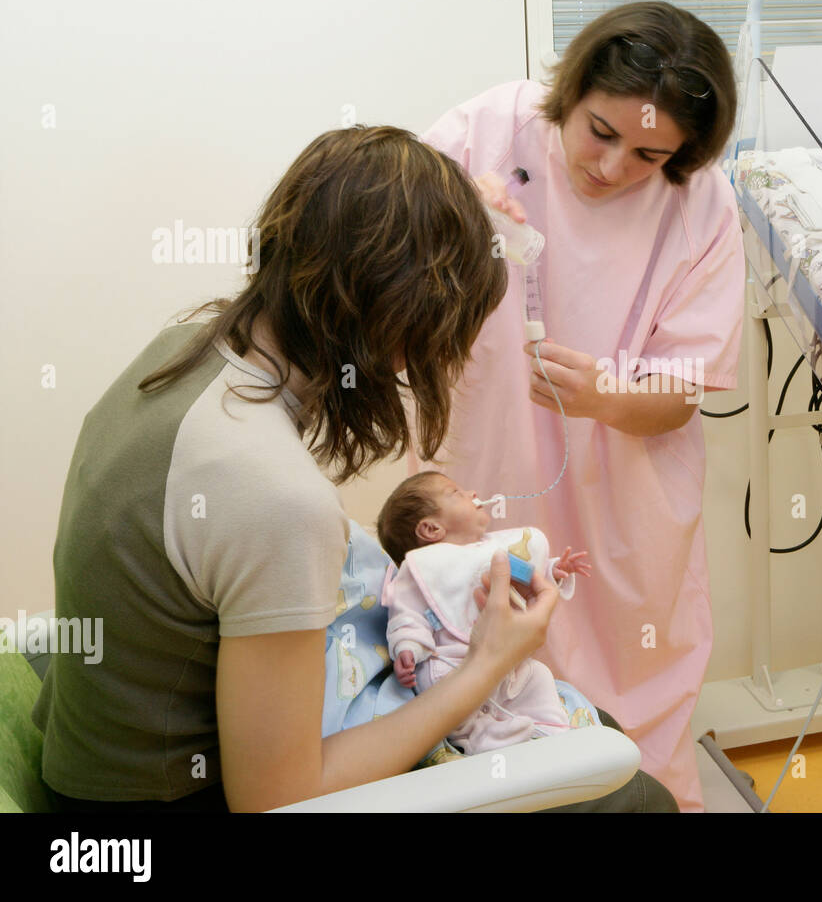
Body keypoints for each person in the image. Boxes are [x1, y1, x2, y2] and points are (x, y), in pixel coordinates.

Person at [31, 125, 672, 812]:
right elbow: (277, 799)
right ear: (394, 315)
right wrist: (491, 661)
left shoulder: (188, 347)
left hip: (92, 754)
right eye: (431, 335)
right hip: (153, 807)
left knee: (587, 730)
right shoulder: (271, 491)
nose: (417, 365)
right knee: (633, 797)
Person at [416, 0, 744, 811]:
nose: (612, 166)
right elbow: (382, 235)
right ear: (573, 88)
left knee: (632, 680)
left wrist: (608, 395)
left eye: (650, 153)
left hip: (626, 488)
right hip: (486, 457)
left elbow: (686, 391)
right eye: (601, 131)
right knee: (484, 678)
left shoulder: (701, 205)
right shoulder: (488, 129)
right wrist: (458, 211)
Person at [376, 471, 598, 753]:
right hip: (450, 664)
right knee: (432, 683)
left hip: (505, 664)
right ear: (431, 529)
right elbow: (406, 614)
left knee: (537, 675)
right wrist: (407, 646)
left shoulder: (492, 550)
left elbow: (526, 577)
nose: (471, 494)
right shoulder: (422, 570)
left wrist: (554, 570)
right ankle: (478, 735)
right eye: (456, 493)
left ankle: (550, 729)